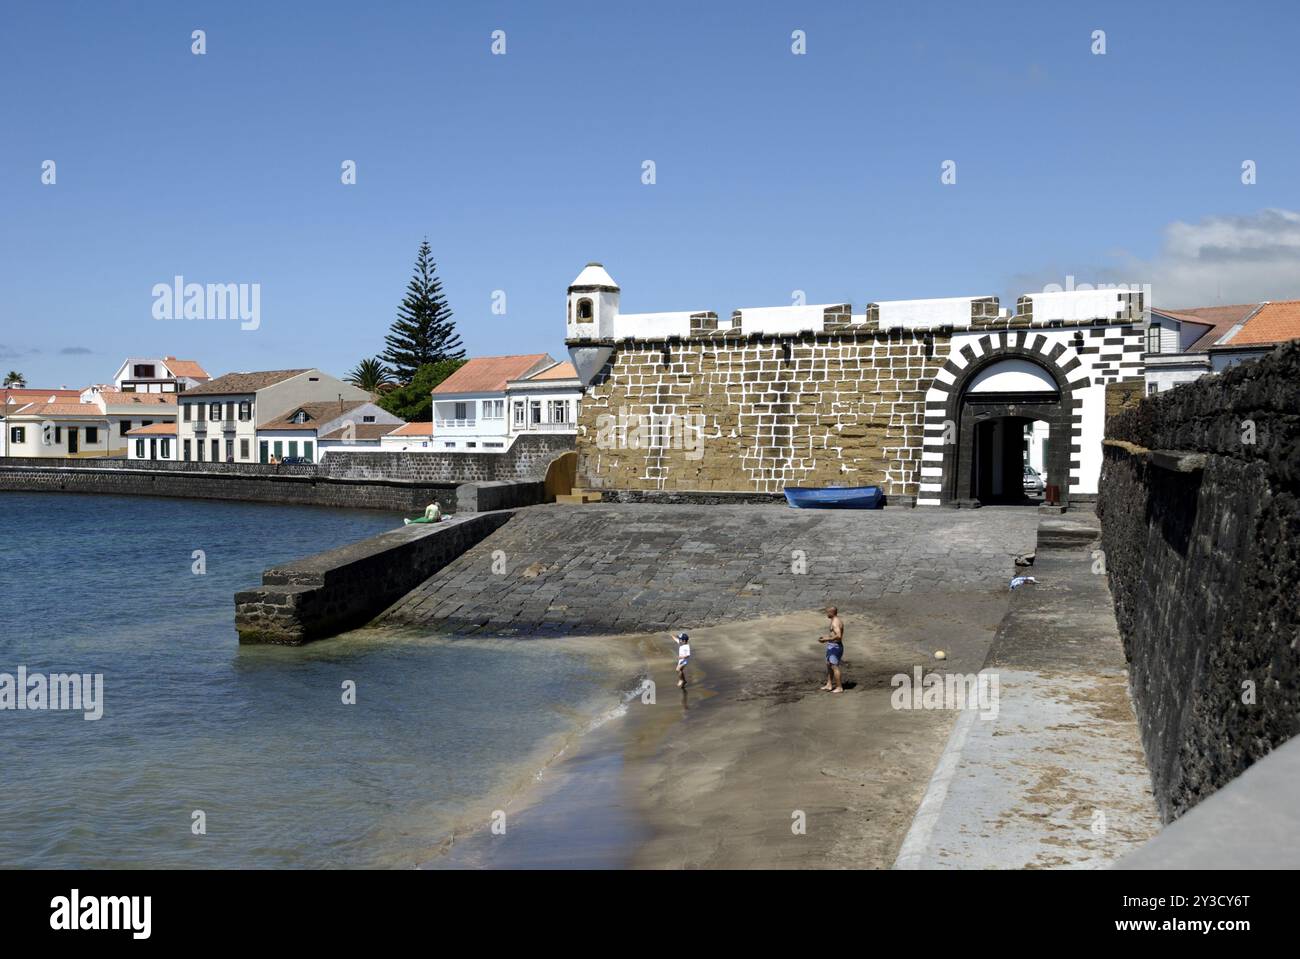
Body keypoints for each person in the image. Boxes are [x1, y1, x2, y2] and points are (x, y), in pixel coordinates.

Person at [818, 606, 845, 693]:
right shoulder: (834, 620)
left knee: (834, 666)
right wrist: (826, 637)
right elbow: (833, 634)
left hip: (835, 647)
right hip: (832, 646)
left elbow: (839, 636)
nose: (826, 614)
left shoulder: (835, 623)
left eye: (827, 612)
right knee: (829, 665)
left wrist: (826, 639)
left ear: (832, 613)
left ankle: (839, 687)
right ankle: (829, 685)